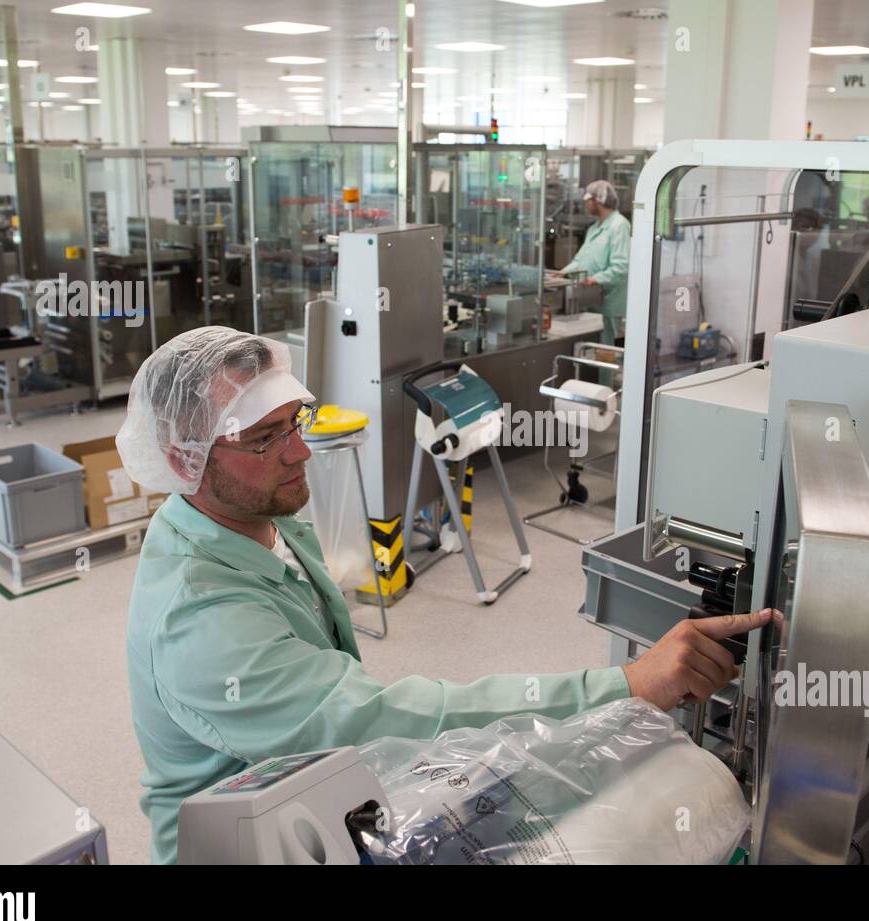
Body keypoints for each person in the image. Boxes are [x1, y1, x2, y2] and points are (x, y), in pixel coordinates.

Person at [117, 326, 767, 864]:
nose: (299, 452)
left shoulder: (263, 514)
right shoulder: (199, 618)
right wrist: (622, 685)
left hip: (310, 800)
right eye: (265, 437)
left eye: (296, 422)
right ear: (184, 459)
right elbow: (371, 720)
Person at [558, 179, 631, 348]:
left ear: (598, 200)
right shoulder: (594, 228)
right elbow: (580, 260)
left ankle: (605, 376)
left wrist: (595, 279)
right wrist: (561, 274)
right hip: (589, 300)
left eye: (588, 201)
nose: (586, 205)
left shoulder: (619, 226)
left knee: (604, 353)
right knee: (589, 354)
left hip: (608, 302)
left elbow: (621, 266)